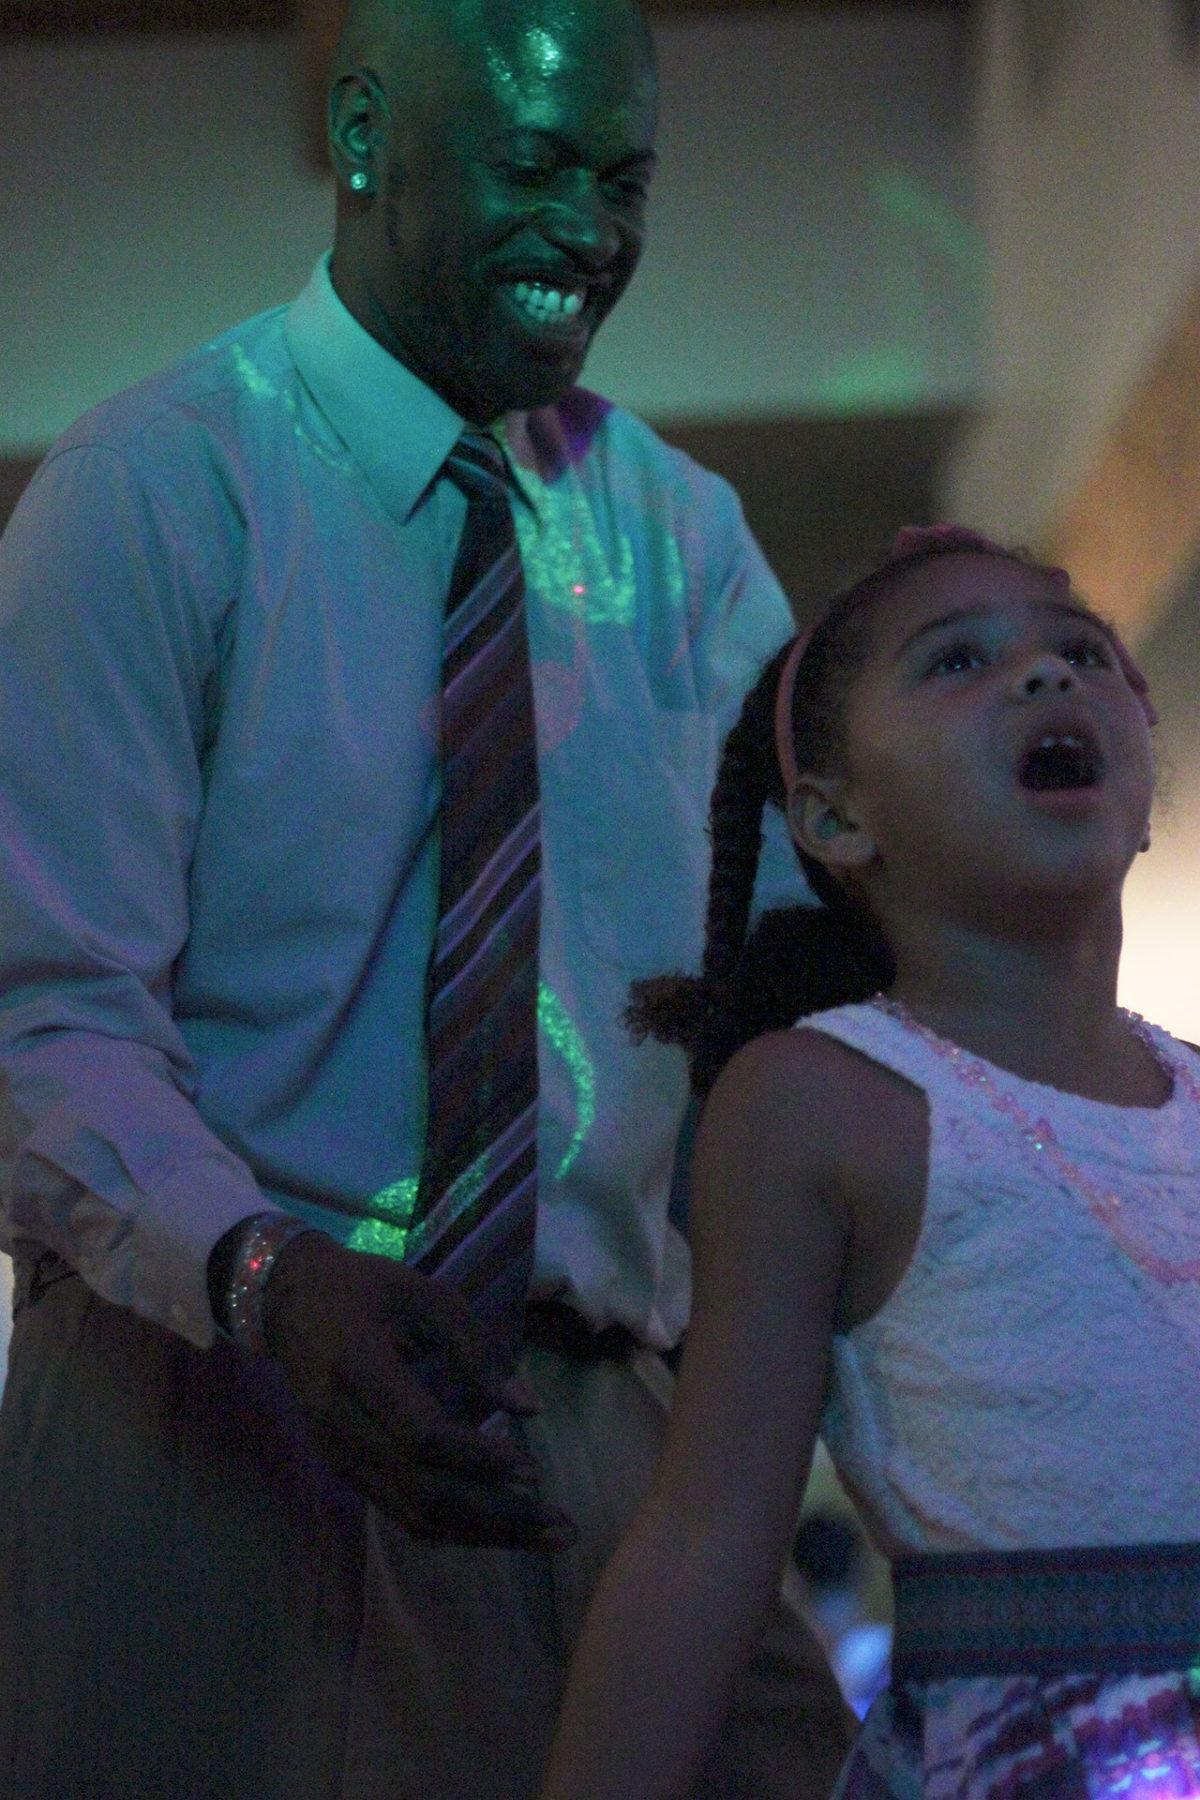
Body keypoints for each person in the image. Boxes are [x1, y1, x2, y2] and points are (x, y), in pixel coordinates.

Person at [0, 0, 855, 1795]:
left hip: (604, 1428)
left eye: (624, 180)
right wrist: (262, 1275)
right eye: (536, 164)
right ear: (368, 133)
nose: (595, 232)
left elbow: (792, 1000)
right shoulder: (151, 490)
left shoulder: (680, 539)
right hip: (207, 1410)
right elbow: (38, 1015)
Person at [539, 524, 1200, 1800]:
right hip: (1022, 1760)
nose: (1046, 676)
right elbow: (707, 1538)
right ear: (835, 818)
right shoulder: (821, 1101)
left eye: (1081, 651)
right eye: (958, 661)